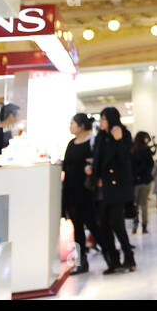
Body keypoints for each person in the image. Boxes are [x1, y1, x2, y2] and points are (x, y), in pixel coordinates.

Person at [92, 107, 136, 274]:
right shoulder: (100, 137)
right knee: (104, 226)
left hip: (117, 188)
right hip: (101, 189)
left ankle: (129, 257)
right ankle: (113, 261)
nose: (101, 122)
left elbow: (125, 159)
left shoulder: (122, 134)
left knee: (117, 224)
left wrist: (117, 140)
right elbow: (98, 159)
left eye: (104, 119)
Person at [61, 113, 99, 275]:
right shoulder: (71, 143)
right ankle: (81, 261)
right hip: (71, 191)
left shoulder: (92, 142)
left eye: (72, 124)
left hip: (87, 191)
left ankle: (113, 254)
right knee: (76, 228)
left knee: (92, 224)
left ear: (82, 125)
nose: (70, 127)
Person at [130, 131, 154, 234]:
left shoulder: (132, 150)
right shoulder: (146, 150)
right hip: (145, 181)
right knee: (144, 204)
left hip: (135, 181)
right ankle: (144, 226)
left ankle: (135, 225)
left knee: (135, 205)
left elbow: (130, 166)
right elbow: (151, 164)